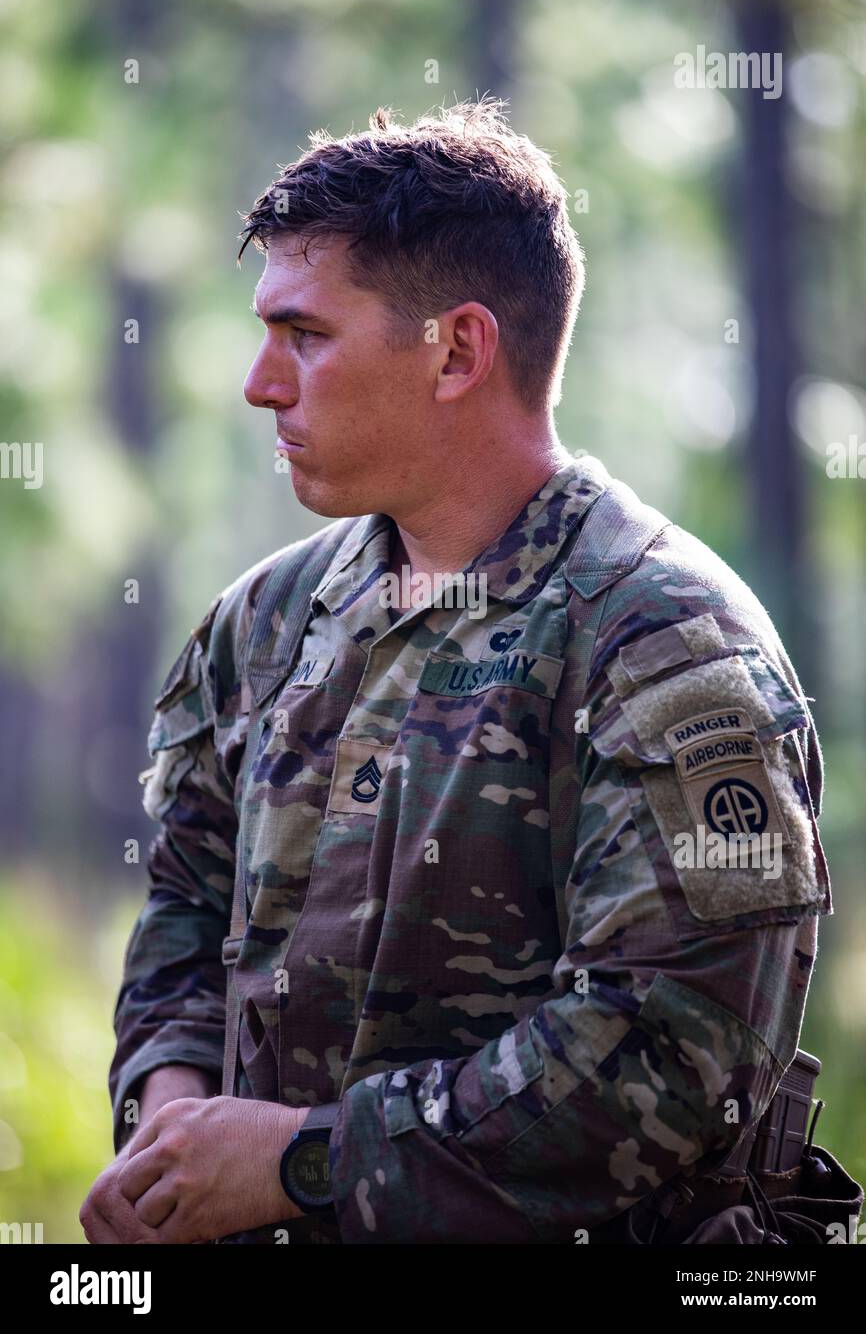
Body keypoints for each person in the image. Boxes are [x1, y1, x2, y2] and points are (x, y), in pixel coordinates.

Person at [80, 99, 832, 1245]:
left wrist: (303, 1161)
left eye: (307, 335)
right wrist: (172, 1123)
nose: (259, 383)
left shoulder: (664, 642)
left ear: (458, 351)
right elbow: (184, 903)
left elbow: (668, 1052)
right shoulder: (266, 620)